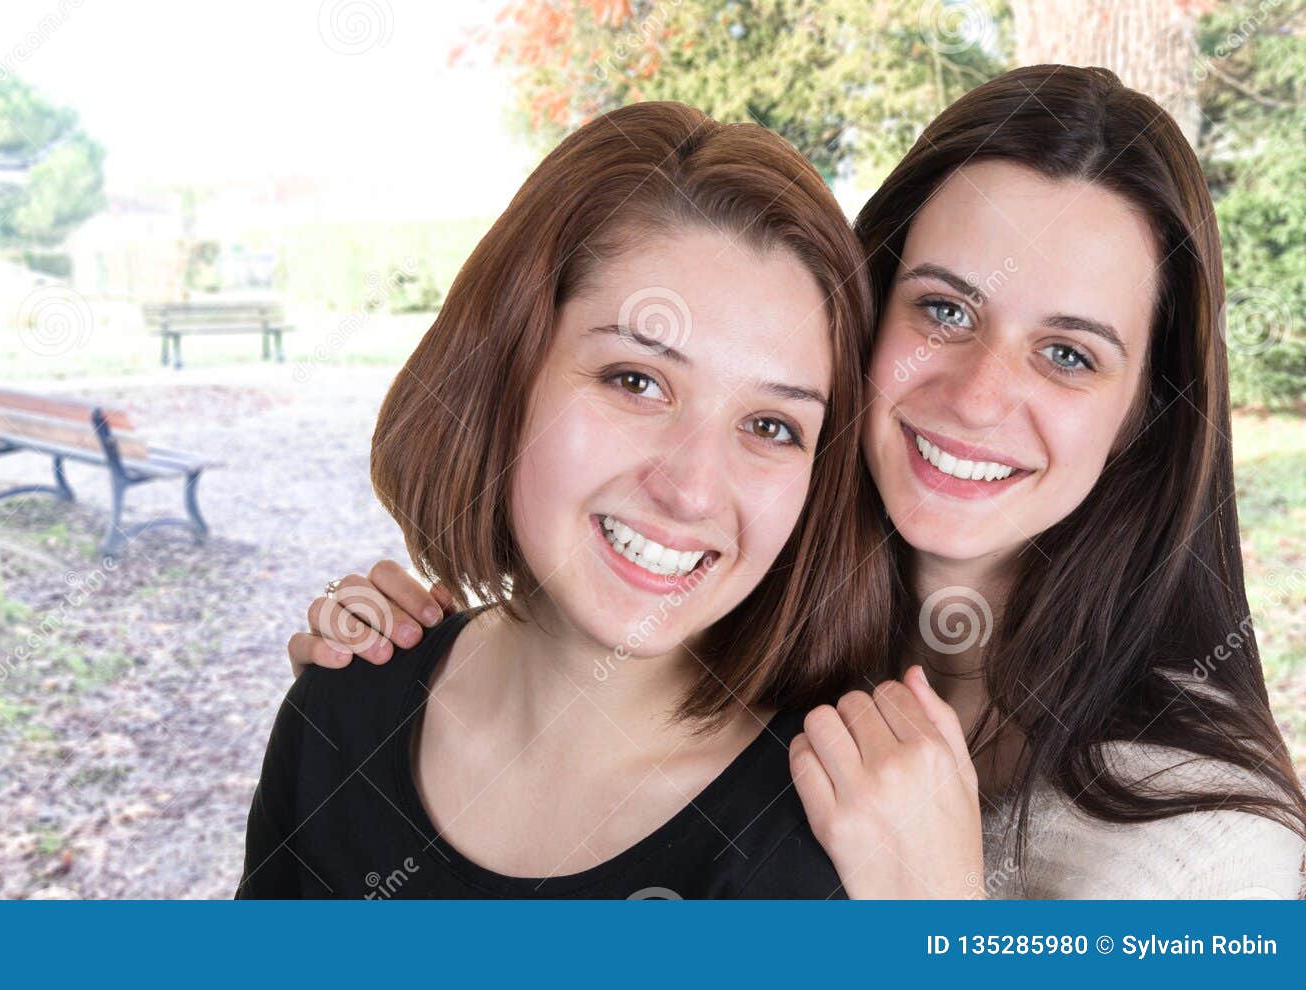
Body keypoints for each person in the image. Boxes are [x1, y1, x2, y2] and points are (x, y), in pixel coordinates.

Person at [286, 66, 1306, 899]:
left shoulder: (1205, 859)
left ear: (1144, 419)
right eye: (944, 310)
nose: (979, 394)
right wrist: (413, 654)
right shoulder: (770, 636)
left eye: (1070, 355)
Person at [236, 100, 954, 899]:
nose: (690, 490)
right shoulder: (340, 710)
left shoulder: (839, 841)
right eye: (636, 381)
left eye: (770, 425)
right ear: (506, 368)